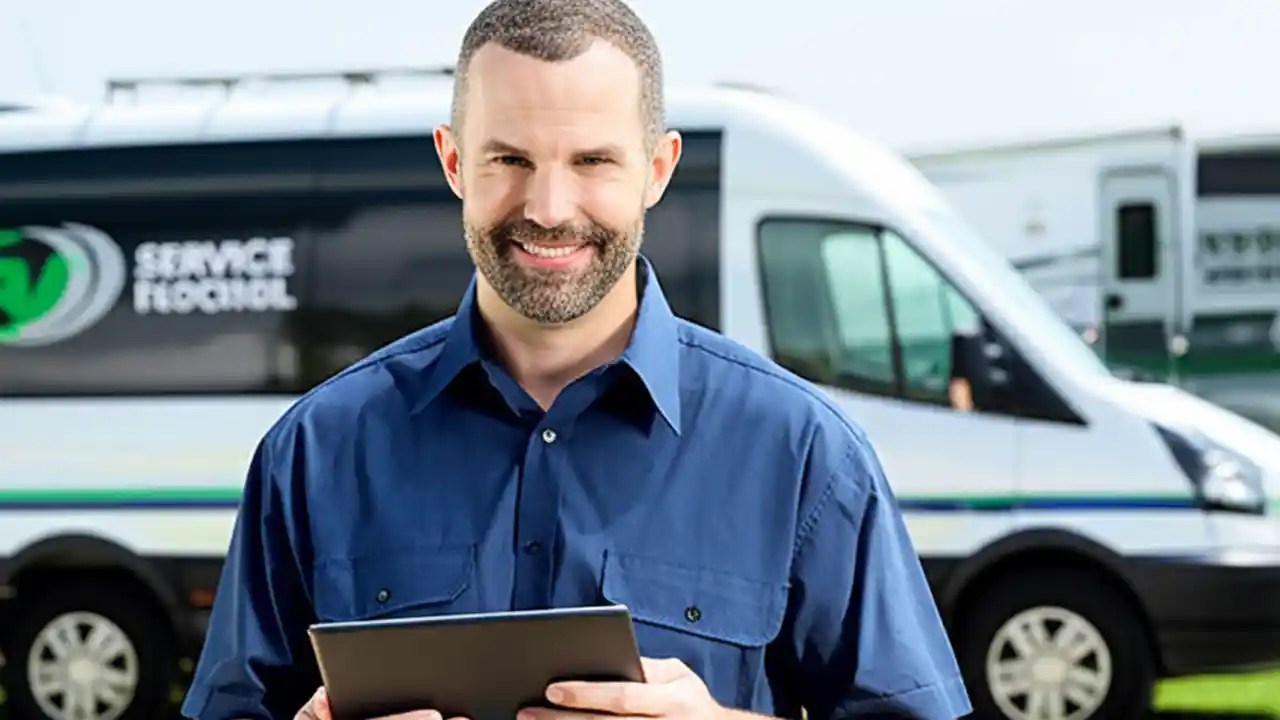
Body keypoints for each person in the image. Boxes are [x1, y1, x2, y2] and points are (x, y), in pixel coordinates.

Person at [180, 0, 973, 718]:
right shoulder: (316, 451)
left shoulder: (804, 454)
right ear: (455, 162)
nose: (549, 209)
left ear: (657, 169)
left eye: (592, 161)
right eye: (509, 160)